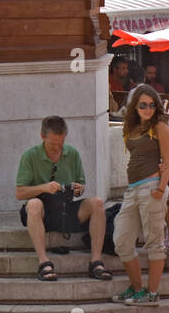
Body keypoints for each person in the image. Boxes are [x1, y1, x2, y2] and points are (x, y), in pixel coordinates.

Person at [15, 115, 111, 283]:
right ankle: (43, 262)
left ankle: (96, 261)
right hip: (43, 211)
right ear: (42, 137)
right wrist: (44, 187)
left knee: (97, 203)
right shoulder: (30, 156)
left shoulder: (72, 153)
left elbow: (81, 184)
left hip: (66, 209)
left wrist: (79, 188)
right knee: (34, 204)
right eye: (53, 144)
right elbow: (19, 193)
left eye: (61, 142)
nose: (58, 147)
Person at [112, 85, 169, 304]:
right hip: (133, 189)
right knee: (121, 240)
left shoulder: (160, 127)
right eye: (143, 105)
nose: (148, 109)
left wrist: (159, 188)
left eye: (151, 105)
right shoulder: (132, 127)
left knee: (154, 241)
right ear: (135, 107)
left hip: (151, 187)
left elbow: (167, 161)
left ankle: (152, 292)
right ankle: (137, 287)